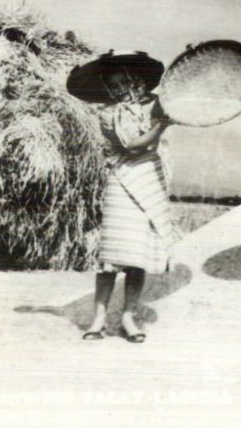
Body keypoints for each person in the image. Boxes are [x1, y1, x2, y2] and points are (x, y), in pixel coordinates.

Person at [67, 50, 176, 343]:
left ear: (135, 80)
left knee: (136, 255)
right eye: (111, 86)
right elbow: (132, 146)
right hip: (123, 178)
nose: (116, 90)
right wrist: (161, 125)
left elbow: (184, 99)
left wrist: (189, 63)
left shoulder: (155, 104)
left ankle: (128, 316)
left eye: (121, 83)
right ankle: (99, 318)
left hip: (151, 180)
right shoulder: (107, 113)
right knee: (112, 254)